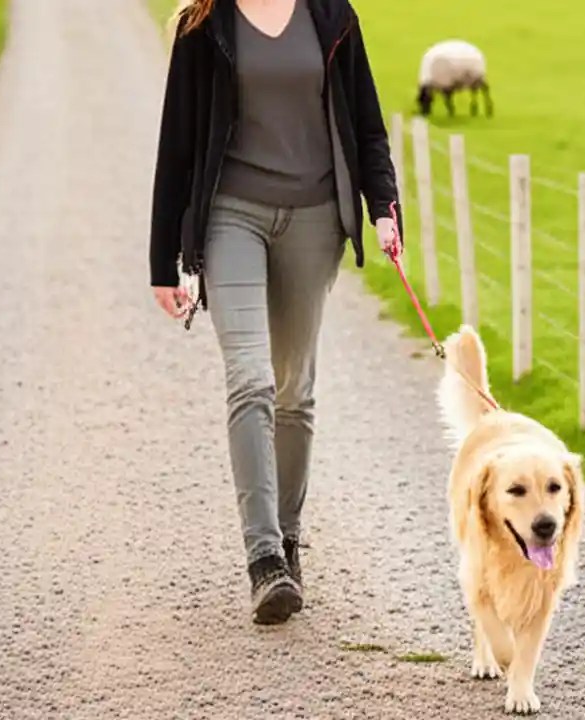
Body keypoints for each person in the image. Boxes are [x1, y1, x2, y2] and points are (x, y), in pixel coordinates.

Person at [148, 0, 402, 625]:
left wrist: (383, 205)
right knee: (252, 380)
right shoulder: (202, 27)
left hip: (315, 222)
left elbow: (366, 124)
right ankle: (263, 559)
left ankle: (288, 539)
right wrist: (162, 262)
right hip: (232, 214)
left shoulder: (332, 15)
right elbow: (176, 145)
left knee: (293, 390)